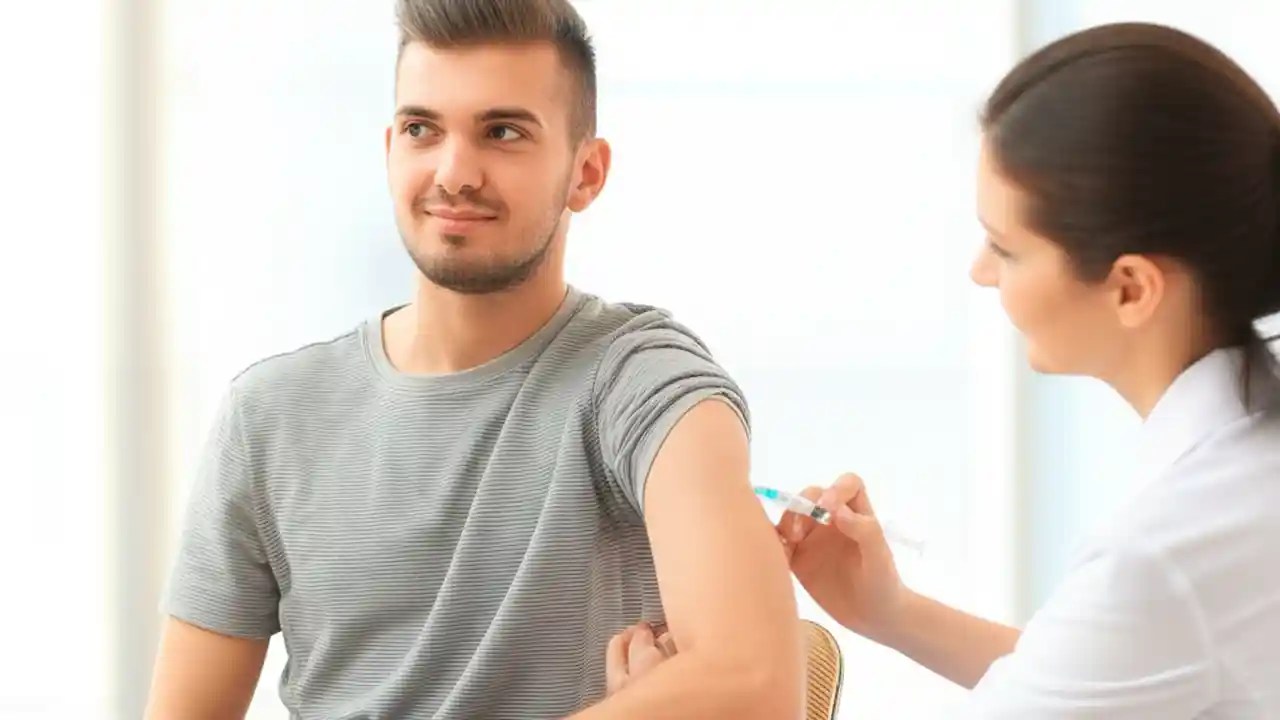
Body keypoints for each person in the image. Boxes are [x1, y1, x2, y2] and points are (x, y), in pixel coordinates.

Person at [143, 1, 805, 718]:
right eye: (423, 129)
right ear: (390, 147)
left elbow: (755, 683)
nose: (454, 173)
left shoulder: (643, 381)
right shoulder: (268, 414)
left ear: (586, 173)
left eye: (503, 132)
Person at [608, 21, 1280, 718]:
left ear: (1131, 288)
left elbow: (1121, 638)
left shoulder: (1166, 556)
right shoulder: (1241, 465)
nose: (980, 272)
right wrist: (892, 613)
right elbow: (1107, 672)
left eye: (1006, 248)